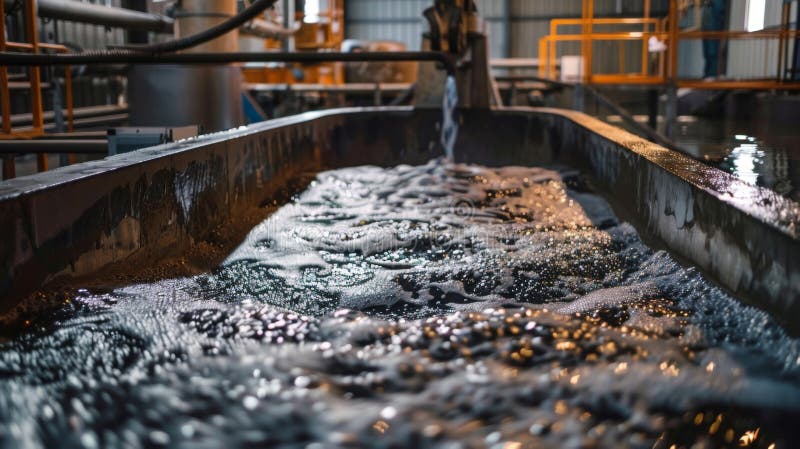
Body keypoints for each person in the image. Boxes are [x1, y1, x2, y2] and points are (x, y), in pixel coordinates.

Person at [702, 0, 727, 79]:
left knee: (712, 52)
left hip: (713, 28)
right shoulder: (707, 4)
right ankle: (708, 74)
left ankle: (712, 74)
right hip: (706, 28)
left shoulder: (718, 2)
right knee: (707, 52)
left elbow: (719, 14)